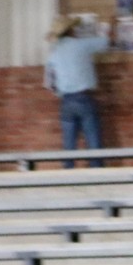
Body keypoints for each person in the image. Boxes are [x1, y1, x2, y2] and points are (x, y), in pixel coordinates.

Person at [46, 16, 108, 168]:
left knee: (69, 145)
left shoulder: (53, 54)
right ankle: (97, 174)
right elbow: (106, 42)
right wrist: (110, 24)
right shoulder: (82, 45)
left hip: (66, 101)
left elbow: (49, 84)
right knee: (93, 142)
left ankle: (68, 174)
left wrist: (61, 92)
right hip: (84, 97)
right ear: (71, 30)